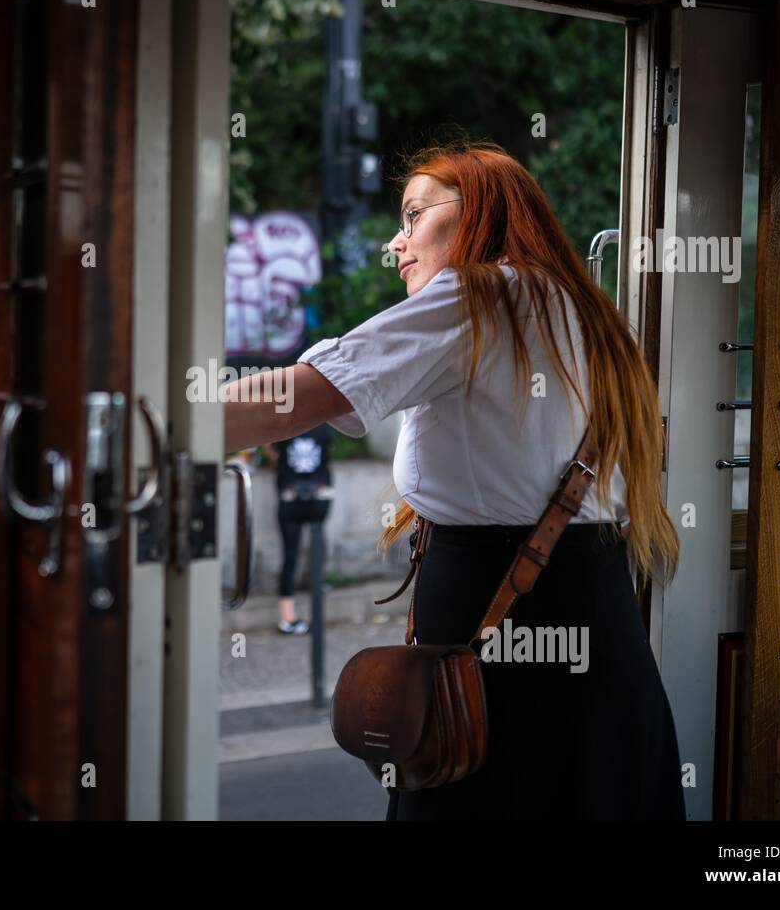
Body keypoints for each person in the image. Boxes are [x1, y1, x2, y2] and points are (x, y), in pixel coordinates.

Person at [222, 139, 685, 820]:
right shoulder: (587, 312)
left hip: (497, 642)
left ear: (477, 213)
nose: (396, 242)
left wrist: (154, 422)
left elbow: (304, 394)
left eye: (414, 216)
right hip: (597, 630)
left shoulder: (480, 292)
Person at [269, 423, 335, 634]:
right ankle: (315, 605)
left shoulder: (284, 426)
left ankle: (288, 617)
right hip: (318, 495)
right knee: (317, 550)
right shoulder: (324, 426)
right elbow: (328, 455)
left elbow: (273, 455)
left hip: (290, 495)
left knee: (290, 556)